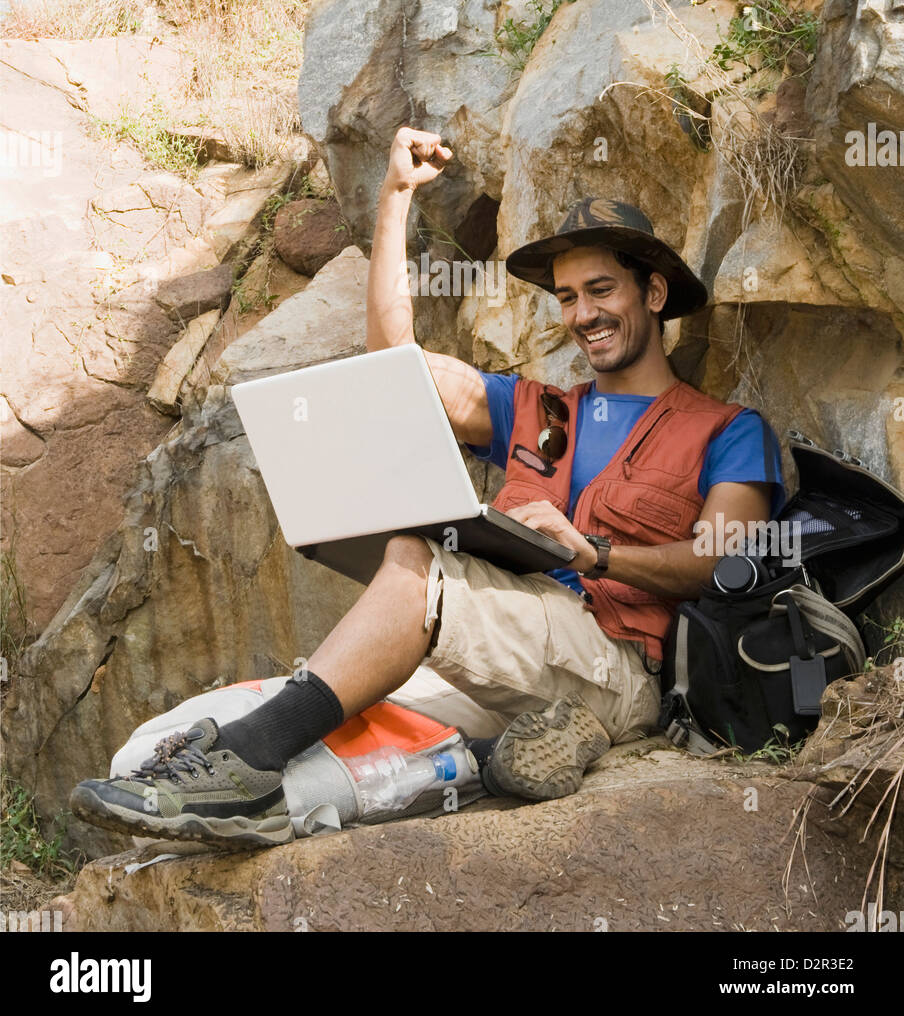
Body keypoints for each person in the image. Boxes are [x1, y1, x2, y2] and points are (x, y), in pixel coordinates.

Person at [70, 127, 784, 847]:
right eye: (567, 297)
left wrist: (594, 554)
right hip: (498, 648)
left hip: (612, 666)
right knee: (165, 744)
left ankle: (249, 765)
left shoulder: (727, 429)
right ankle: (482, 765)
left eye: (601, 290)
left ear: (653, 292)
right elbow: (395, 366)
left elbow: (720, 567)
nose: (582, 315)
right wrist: (395, 198)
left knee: (414, 559)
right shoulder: (537, 409)